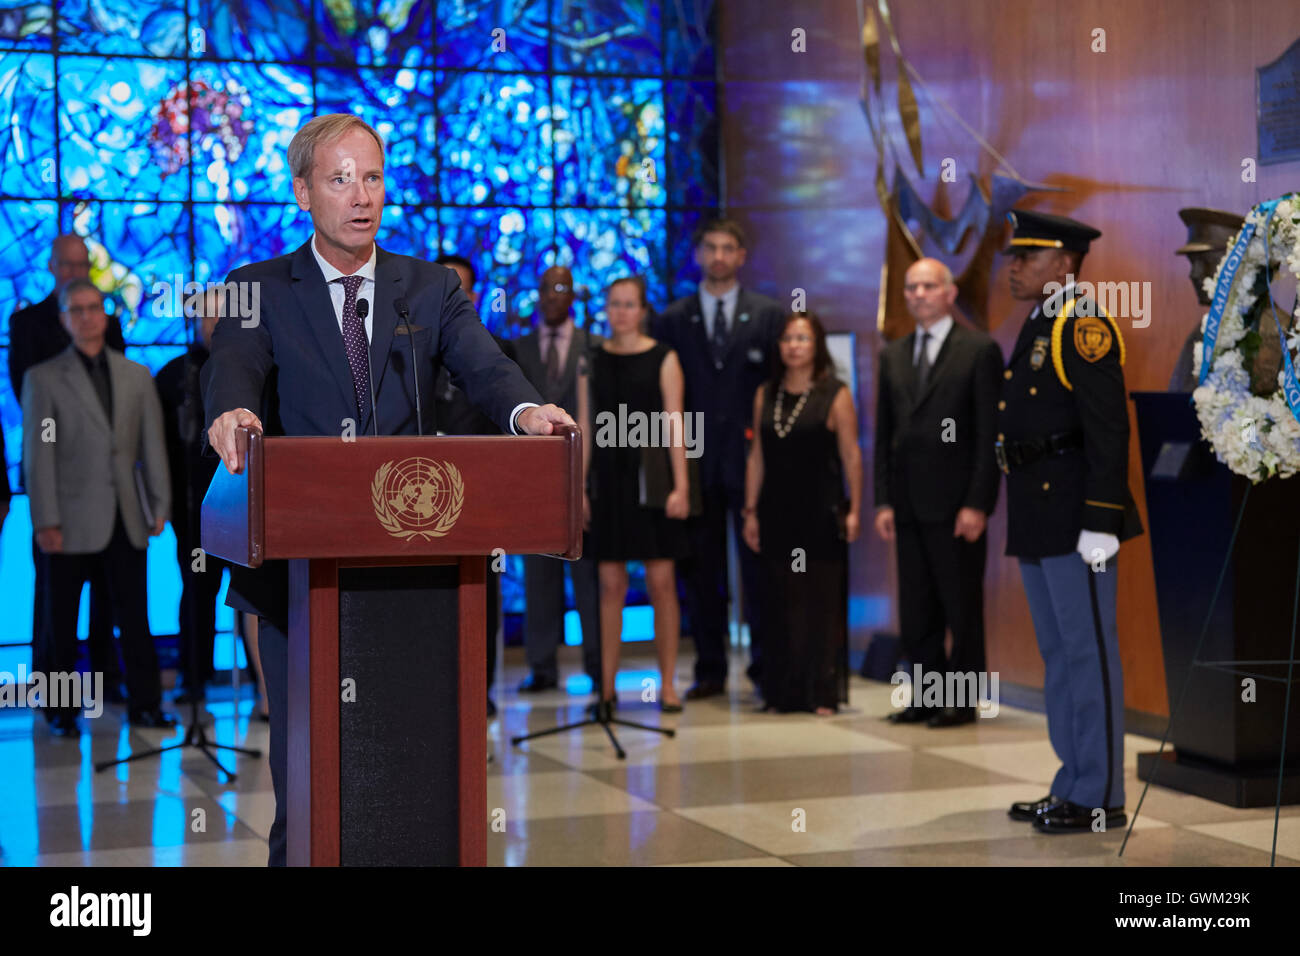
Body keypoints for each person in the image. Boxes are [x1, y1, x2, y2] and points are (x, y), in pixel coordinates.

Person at [201, 113, 568, 867]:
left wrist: (528, 411)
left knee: (409, 774)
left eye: (371, 177)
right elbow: (233, 364)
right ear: (303, 191)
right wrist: (232, 411)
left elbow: (486, 365)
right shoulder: (256, 288)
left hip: (417, 574)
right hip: (299, 574)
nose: (360, 196)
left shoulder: (427, 288)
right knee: (311, 778)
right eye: (339, 179)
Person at [999, 210, 1143, 834]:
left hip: (1077, 515)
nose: (1013, 266)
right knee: (1059, 653)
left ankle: (1102, 795)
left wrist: (1102, 519)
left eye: (1026, 257)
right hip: (1037, 508)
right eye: (1013, 256)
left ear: (1063, 263)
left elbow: (1109, 429)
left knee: (1088, 652)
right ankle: (1073, 781)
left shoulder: (1083, 325)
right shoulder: (1040, 321)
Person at [21, 279, 174, 735]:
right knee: (61, 623)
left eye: (94, 308)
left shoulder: (136, 375)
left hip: (127, 516)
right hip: (67, 519)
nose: (87, 317)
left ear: (106, 315)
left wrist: (159, 503)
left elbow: (152, 446)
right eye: (77, 310)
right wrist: (44, 519)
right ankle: (61, 712)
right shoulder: (43, 379)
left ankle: (145, 704)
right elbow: (38, 454)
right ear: (64, 319)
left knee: (135, 617)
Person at [652, 218, 784, 699]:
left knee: (760, 569)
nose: (720, 256)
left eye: (729, 248)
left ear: (742, 256)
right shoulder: (672, 318)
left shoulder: (769, 317)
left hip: (751, 462)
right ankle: (709, 669)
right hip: (697, 461)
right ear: (698, 254)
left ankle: (766, 668)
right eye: (711, 247)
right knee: (702, 572)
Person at [873, 259, 1002, 727]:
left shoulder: (978, 350)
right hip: (907, 503)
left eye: (929, 285)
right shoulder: (893, 355)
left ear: (950, 293)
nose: (919, 294)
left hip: (956, 505)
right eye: (912, 287)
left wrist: (978, 503)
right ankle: (926, 695)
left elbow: (991, 435)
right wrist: (882, 500)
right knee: (917, 607)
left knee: (960, 604)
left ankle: (962, 700)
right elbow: (885, 434)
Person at [9, 234, 126, 698]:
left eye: (83, 266)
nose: (76, 274)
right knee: (55, 599)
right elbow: (29, 398)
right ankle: (52, 693)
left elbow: (117, 395)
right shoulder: (27, 323)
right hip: (55, 475)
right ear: (52, 267)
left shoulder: (110, 324)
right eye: (68, 266)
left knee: (107, 594)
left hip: (106, 481)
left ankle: (105, 683)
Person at [155, 288, 268, 717]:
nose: (215, 325)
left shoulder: (258, 370)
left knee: (253, 597)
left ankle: (264, 687)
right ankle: (194, 679)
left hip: (249, 505)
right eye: (208, 317)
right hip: (195, 510)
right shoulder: (173, 377)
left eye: (224, 316)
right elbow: (159, 447)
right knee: (196, 594)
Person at [580, 277, 690, 714]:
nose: (621, 312)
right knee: (610, 585)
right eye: (614, 304)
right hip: (607, 479)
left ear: (644, 309)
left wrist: (682, 487)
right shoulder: (591, 360)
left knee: (662, 582)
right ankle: (606, 689)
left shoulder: (665, 357)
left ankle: (667, 685)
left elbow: (675, 423)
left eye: (630, 304)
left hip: (653, 478)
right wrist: (580, 487)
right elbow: (585, 426)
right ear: (606, 309)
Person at [741, 312, 859, 714]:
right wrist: (750, 512)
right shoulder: (764, 393)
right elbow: (756, 457)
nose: (793, 345)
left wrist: (855, 508)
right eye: (788, 338)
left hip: (819, 513)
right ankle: (781, 691)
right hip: (775, 511)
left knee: (818, 601)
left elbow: (851, 455)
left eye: (803, 338)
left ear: (817, 345)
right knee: (777, 599)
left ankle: (820, 691)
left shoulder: (836, 393)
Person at [510, 264, 603, 694]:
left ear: (574, 296)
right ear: (538, 294)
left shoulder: (594, 347)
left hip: (587, 481)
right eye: (547, 288)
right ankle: (542, 666)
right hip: (533, 484)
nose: (553, 296)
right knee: (539, 579)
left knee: (589, 578)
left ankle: (598, 665)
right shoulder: (519, 349)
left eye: (562, 288)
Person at [431, 252, 503, 716]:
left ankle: (481, 692)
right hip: (419, 500)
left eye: (464, 288)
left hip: (480, 501)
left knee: (483, 598)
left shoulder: (497, 357)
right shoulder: (402, 355)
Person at [1167, 208, 1244, 392]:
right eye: (1193, 263)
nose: (1194, 274)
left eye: (1206, 260)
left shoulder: (1273, 334)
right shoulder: (1201, 333)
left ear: (1239, 263)